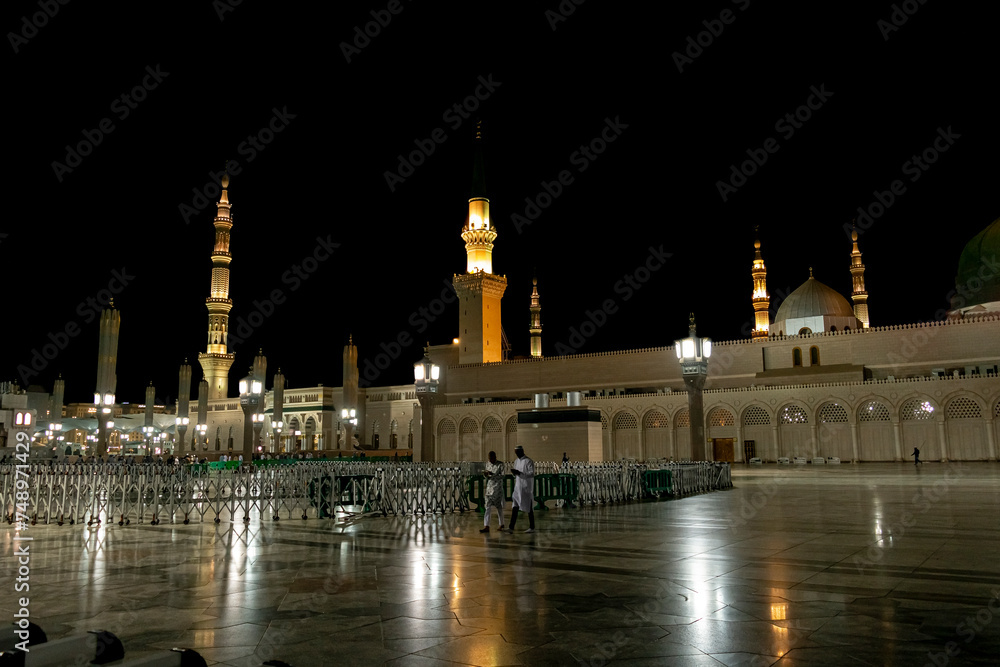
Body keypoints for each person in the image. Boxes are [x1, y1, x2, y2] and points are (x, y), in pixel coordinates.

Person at [508, 445, 536, 533]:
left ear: (522, 451)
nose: (516, 454)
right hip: (517, 488)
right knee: (515, 507)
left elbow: (531, 474)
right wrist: (515, 473)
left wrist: (520, 473)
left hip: (526, 488)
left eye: (517, 452)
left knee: (529, 507)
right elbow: (516, 473)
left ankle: (532, 527)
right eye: (515, 453)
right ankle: (511, 527)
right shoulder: (516, 461)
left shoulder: (529, 461)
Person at [480, 451, 506, 533]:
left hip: (497, 488)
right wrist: (486, 475)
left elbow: (503, 475)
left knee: (499, 507)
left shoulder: (500, 464)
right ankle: (486, 525)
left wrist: (493, 474)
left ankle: (501, 524)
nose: (490, 460)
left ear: (495, 457)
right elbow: (487, 477)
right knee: (487, 506)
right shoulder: (488, 464)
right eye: (489, 458)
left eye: (492, 458)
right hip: (489, 487)